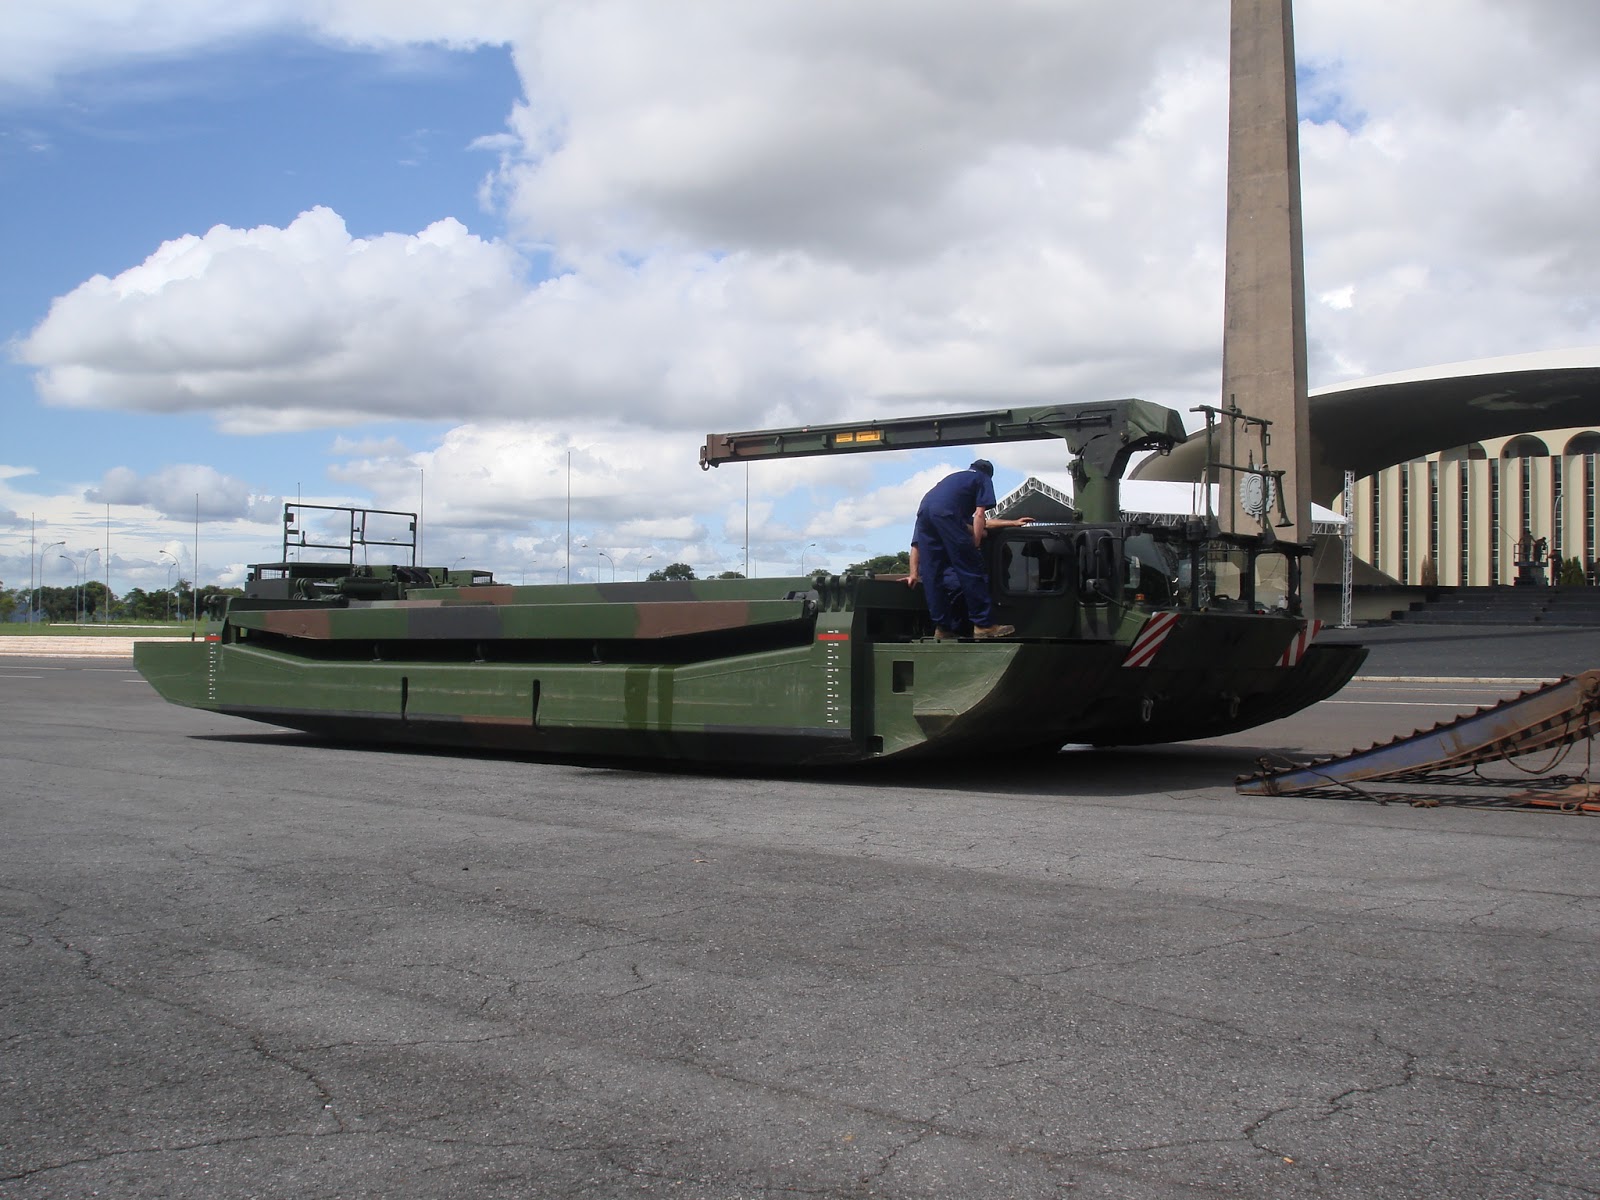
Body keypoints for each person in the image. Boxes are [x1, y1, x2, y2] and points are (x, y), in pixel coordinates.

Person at [907, 459, 1032, 640]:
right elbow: (980, 514)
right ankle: (984, 625)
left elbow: (919, 543)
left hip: (924, 510)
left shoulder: (953, 481)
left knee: (932, 574)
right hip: (945, 513)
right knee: (971, 569)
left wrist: (1013, 522)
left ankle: (942, 628)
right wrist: (974, 543)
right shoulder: (982, 478)